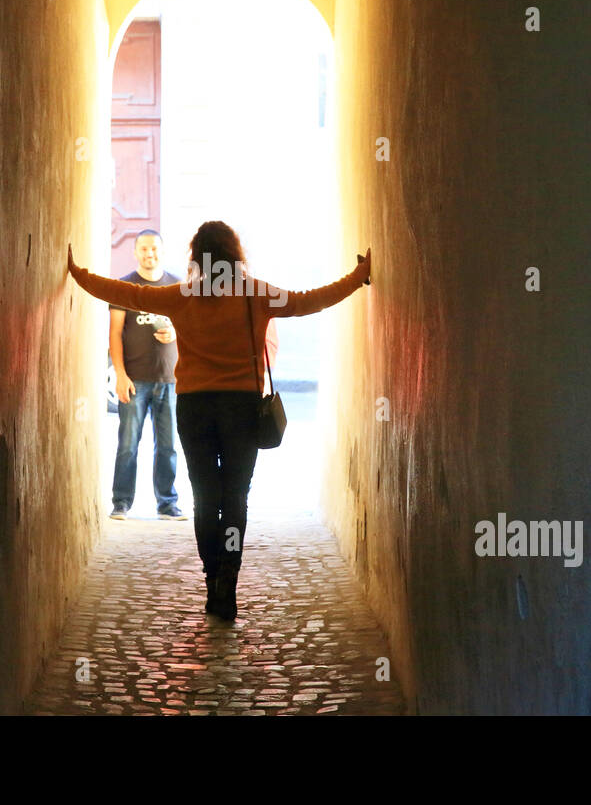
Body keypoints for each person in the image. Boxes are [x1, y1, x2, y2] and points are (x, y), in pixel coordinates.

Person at [68, 221, 372, 620]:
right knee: (235, 496)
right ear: (234, 253)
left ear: (196, 256)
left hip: (194, 407)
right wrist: (358, 276)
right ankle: (229, 573)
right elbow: (309, 301)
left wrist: (78, 273)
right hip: (241, 408)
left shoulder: (182, 296)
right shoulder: (255, 294)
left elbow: (125, 293)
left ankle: (212, 575)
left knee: (205, 496)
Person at [108, 230, 186, 521]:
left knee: (168, 447)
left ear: (162, 251)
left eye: (154, 248)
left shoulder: (177, 286)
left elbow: (190, 326)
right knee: (128, 445)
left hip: (170, 380)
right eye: (143, 248)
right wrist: (120, 374)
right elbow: (115, 333)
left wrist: (176, 332)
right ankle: (121, 502)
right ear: (135, 252)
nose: (149, 253)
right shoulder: (125, 287)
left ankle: (167, 504)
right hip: (134, 380)